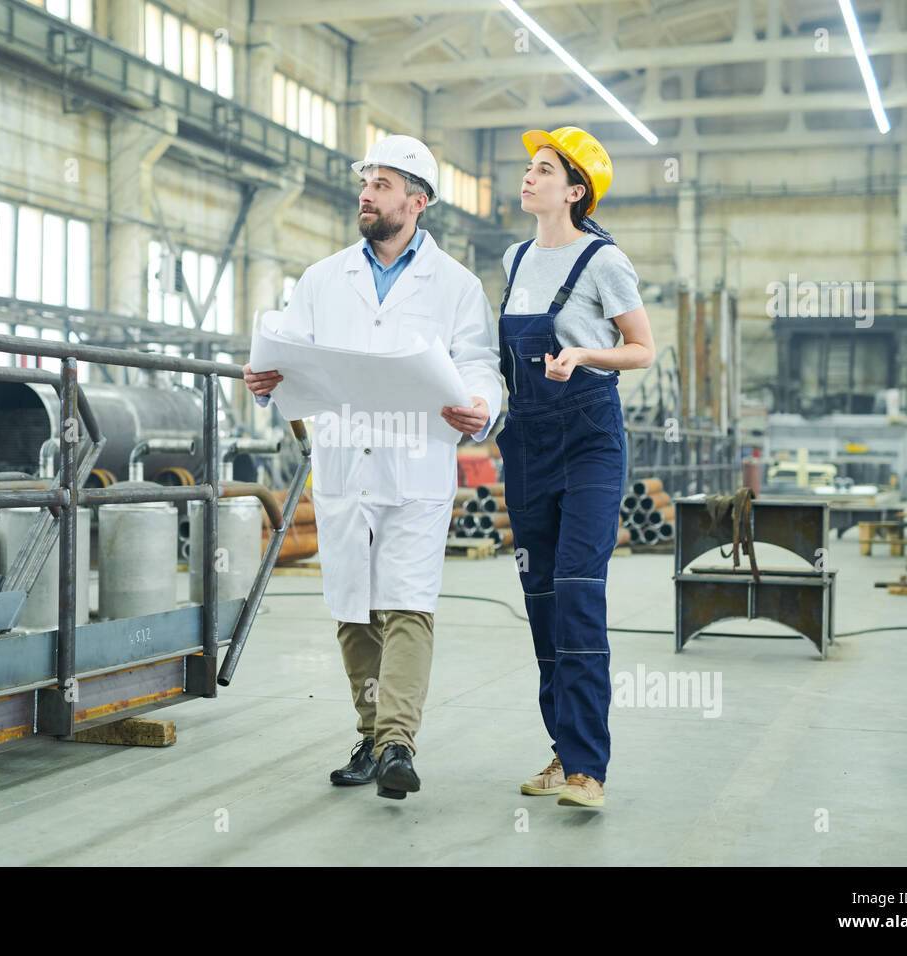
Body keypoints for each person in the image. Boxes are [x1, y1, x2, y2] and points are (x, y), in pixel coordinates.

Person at [244, 135, 502, 800]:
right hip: (342, 466)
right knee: (353, 608)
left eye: (383, 184)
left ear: (417, 203)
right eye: (366, 181)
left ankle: (396, 744)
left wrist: (482, 405)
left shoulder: (455, 287)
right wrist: (265, 378)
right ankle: (372, 734)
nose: (367, 193)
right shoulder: (325, 279)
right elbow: (290, 355)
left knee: (407, 603)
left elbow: (479, 366)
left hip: (416, 465)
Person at [495, 127, 655, 809]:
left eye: (542, 169)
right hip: (527, 440)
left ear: (575, 188)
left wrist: (584, 356)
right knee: (540, 602)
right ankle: (564, 753)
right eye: (528, 168)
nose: (528, 178)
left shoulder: (603, 260)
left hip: (589, 435)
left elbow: (643, 348)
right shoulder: (514, 257)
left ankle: (590, 768)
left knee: (578, 587)